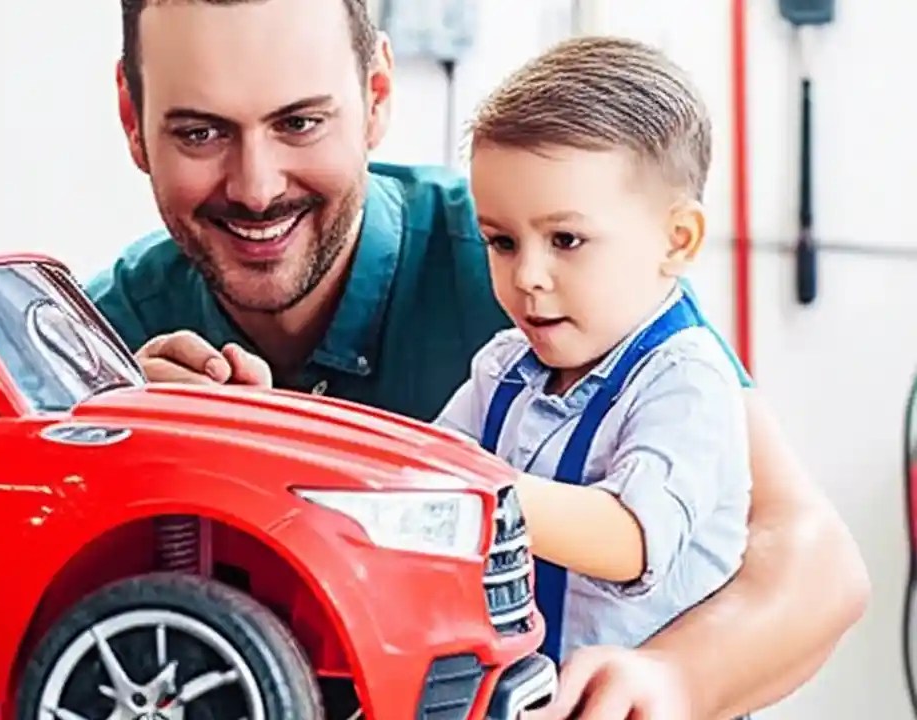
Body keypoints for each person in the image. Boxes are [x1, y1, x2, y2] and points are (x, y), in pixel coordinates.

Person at [85, 0, 870, 716]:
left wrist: (670, 677)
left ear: (377, 95)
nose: (256, 188)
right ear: (130, 118)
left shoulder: (572, 284)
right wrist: (177, 443)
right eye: (200, 133)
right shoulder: (98, 336)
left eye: (300, 124)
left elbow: (817, 565)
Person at [431, 36, 751, 670]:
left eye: (566, 239)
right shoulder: (502, 369)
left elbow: (628, 536)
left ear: (677, 239)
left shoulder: (687, 383)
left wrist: (469, 493)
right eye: (501, 241)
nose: (527, 275)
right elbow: (423, 462)